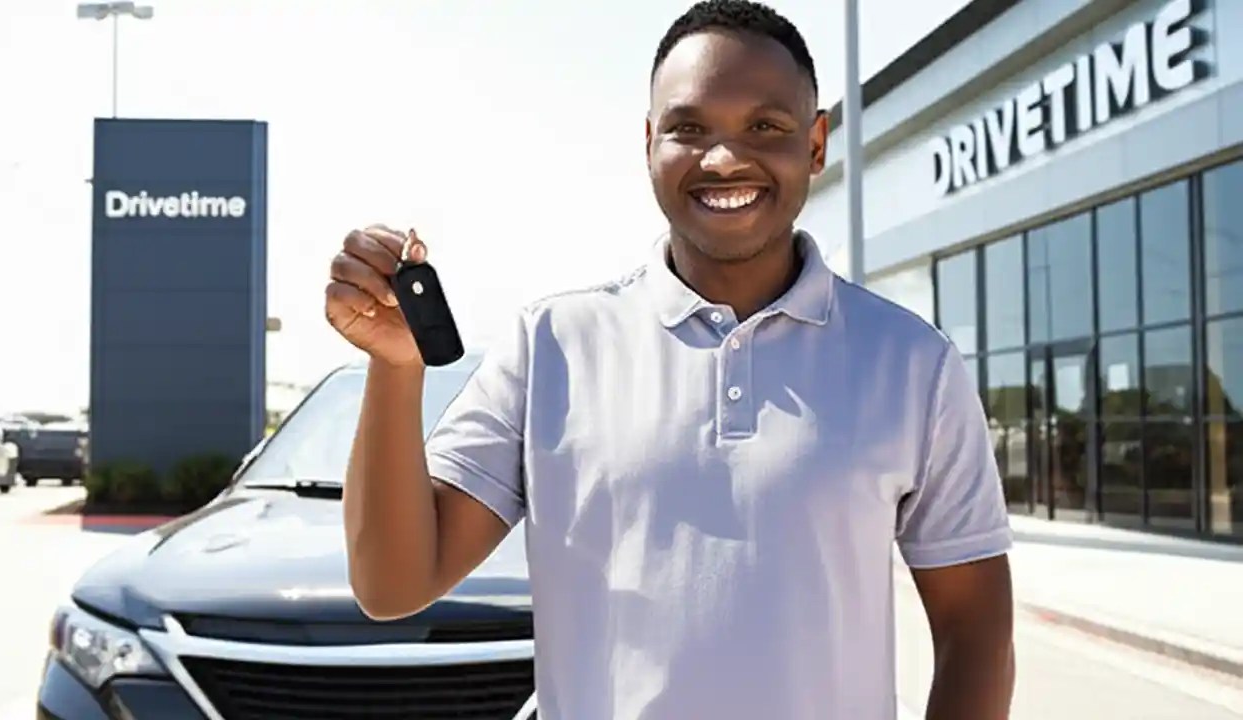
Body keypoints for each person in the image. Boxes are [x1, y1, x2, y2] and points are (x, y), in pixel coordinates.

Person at [326, 1, 1015, 717]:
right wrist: (396, 369)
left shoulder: (912, 363)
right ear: (649, 141)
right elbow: (391, 586)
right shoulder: (551, 345)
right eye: (688, 128)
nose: (724, 158)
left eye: (765, 127)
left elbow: (976, 631)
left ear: (815, 145)